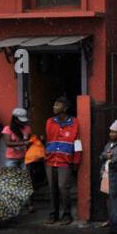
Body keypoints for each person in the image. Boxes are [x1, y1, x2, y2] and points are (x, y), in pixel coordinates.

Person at [44, 95, 80, 224]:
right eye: (54, 104)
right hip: (50, 159)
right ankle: (53, 214)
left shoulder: (75, 122)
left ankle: (67, 214)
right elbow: (49, 139)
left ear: (64, 108)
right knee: (52, 188)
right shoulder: (50, 122)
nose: (54, 107)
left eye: (57, 105)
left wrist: (76, 161)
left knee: (63, 187)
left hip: (65, 160)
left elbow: (77, 142)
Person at [97, 118, 117, 225]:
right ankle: (110, 219)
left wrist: (113, 157)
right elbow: (101, 157)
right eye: (111, 131)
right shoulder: (108, 144)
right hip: (106, 173)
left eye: (114, 132)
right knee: (107, 198)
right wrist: (106, 155)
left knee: (115, 197)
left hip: (115, 175)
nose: (111, 134)